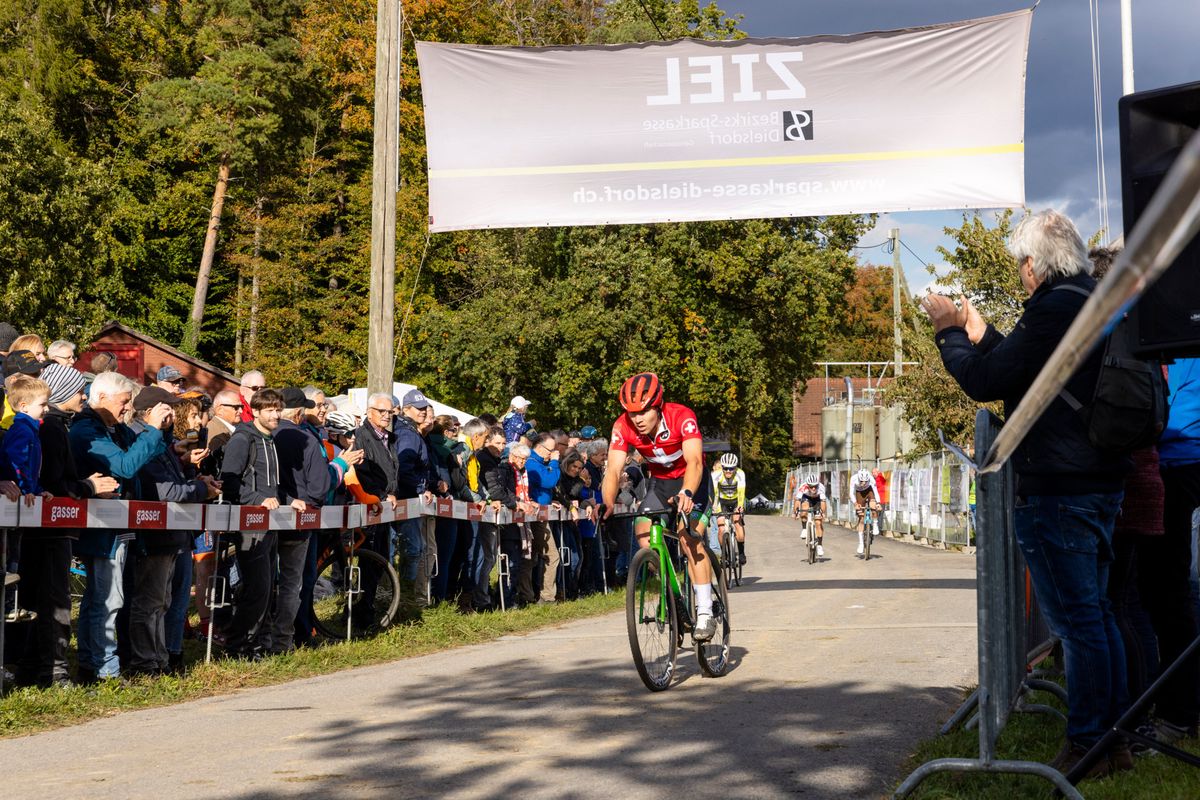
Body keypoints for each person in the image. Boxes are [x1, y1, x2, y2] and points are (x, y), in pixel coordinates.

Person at [921, 208, 1131, 777]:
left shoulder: (1054, 308)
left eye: (1020, 264)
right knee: (1099, 615)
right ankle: (1114, 738)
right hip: (1098, 480)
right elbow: (1025, 367)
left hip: (1058, 487)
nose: (1020, 272)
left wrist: (945, 330)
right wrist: (980, 332)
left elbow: (989, 382)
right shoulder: (1088, 299)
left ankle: (1089, 742)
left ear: (1033, 264)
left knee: (1078, 623)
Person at [69, 371, 172, 682]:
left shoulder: (113, 429)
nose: (128, 409)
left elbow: (146, 452)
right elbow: (125, 465)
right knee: (106, 600)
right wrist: (151, 429)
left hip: (119, 526)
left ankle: (101, 664)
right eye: (123, 402)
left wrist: (163, 432)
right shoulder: (88, 431)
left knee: (113, 599)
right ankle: (102, 669)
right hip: (101, 529)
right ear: (101, 398)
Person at [600, 372, 718, 641]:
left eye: (643, 412)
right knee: (642, 532)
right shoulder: (623, 426)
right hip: (661, 484)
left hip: (692, 481)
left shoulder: (681, 416)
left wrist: (687, 491)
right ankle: (671, 590)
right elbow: (614, 469)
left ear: (658, 405)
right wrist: (607, 502)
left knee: (688, 539)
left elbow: (695, 462)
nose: (637, 419)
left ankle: (705, 612)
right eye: (631, 413)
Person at [124, 387, 214, 677]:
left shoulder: (161, 442)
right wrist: (202, 489)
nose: (175, 414)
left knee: (162, 601)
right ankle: (145, 663)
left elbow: (174, 480)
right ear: (150, 412)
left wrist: (186, 466)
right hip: (154, 534)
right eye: (168, 408)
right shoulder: (143, 440)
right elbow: (165, 490)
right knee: (149, 602)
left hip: (172, 532)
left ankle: (159, 658)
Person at [219, 388, 301, 659]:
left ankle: (256, 643)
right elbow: (229, 483)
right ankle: (236, 645)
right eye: (269, 410)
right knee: (256, 589)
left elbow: (273, 486)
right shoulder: (243, 439)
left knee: (266, 590)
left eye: (278, 409)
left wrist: (290, 502)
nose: (276, 415)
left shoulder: (271, 440)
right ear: (254, 411)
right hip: (249, 525)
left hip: (271, 525)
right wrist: (258, 499)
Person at [712, 452, 747, 565]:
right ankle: (725, 554)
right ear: (722, 467)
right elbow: (714, 494)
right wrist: (714, 509)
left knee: (737, 522)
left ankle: (741, 552)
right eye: (725, 468)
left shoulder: (740, 474)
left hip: (736, 500)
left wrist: (740, 507)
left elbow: (741, 492)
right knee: (721, 527)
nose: (728, 471)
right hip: (722, 501)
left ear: (735, 468)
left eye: (731, 468)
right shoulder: (715, 475)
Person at [797, 472, 828, 557]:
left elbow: (823, 502)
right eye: (811, 486)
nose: (813, 488)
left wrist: (823, 513)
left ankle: (820, 545)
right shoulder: (803, 487)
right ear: (808, 485)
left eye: (815, 486)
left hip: (817, 500)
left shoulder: (821, 488)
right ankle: (804, 528)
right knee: (804, 510)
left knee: (818, 522)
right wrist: (795, 512)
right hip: (806, 498)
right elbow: (797, 500)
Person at [851, 468, 881, 556]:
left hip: (869, 491)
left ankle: (875, 523)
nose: (863, 483)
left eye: (865, 481)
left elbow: (875, 491)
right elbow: (851, 493)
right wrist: (856, 503)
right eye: (861, 481)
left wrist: (878, 503)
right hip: (859, 493)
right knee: (861, 518)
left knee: (873, 506)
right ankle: (860, 543)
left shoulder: (871, 479)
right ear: (858, 478)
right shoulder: (853, 479)